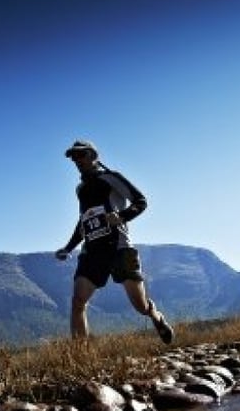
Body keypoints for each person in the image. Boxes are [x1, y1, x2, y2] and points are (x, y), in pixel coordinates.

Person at [55, 140, 175, 344]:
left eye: (80, 155)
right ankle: (82, 357)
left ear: (93, 155)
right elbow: (84, 220)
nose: (76, 160)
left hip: (119, 247)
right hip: (92, 251)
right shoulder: (80, 189)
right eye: (73, 157)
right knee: (78, 302)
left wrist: (122, 216)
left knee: (140, 306)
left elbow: (141, 201)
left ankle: (155, 315)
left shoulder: (111, 178)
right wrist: (68, 248)